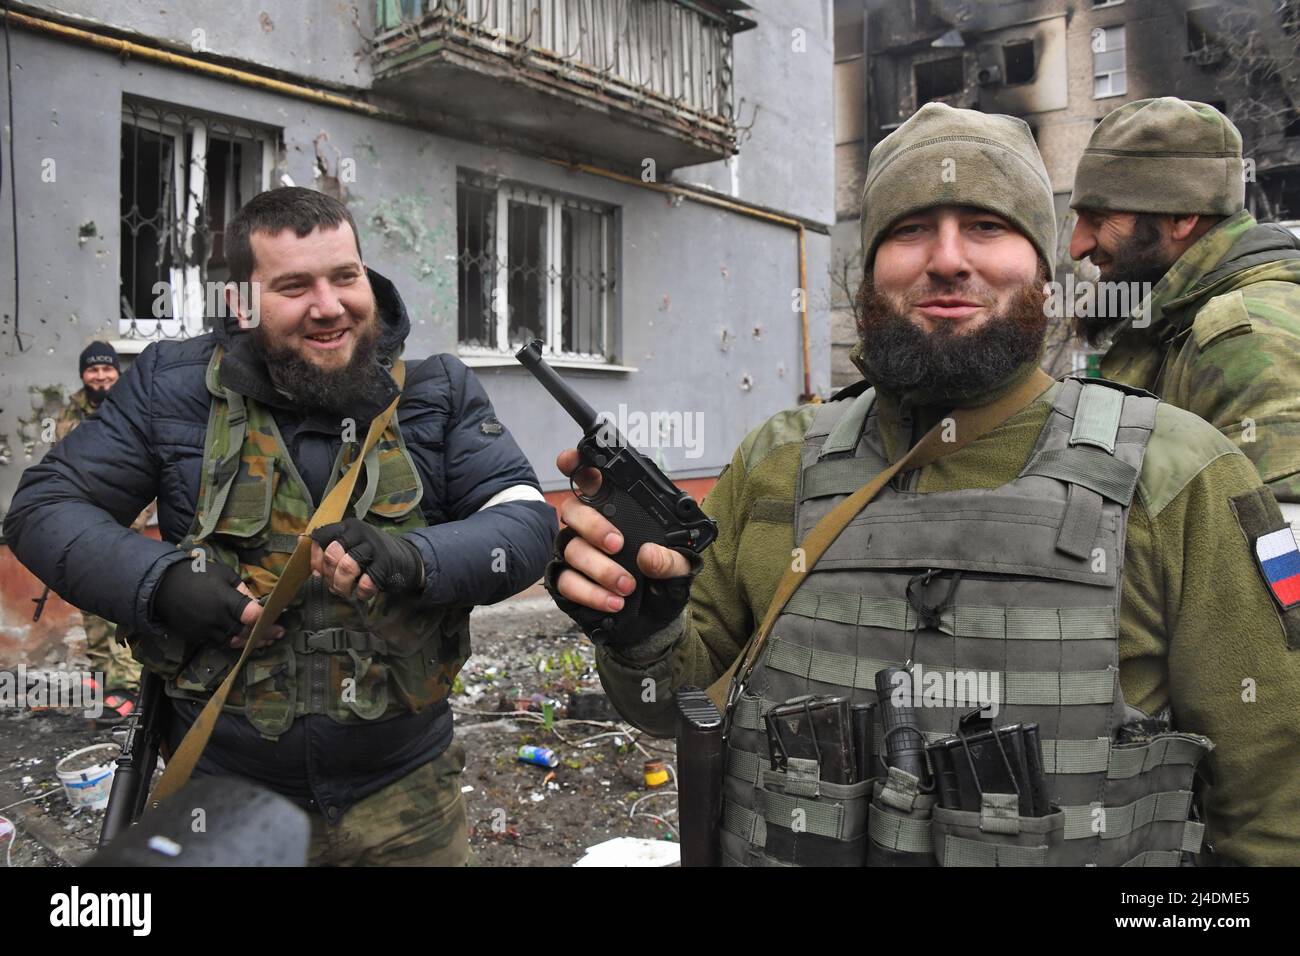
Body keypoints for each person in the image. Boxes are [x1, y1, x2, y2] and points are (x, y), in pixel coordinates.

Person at [545, 104, 1300, 866]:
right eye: (908, 230)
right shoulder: (776, 459)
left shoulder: (1180, 477)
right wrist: (641, 631)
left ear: (1042, 265)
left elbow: (1273, 807)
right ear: (869, 268)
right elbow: (667, 705)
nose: (946, 259)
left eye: (986, 225)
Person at [5, 187, 557, 866]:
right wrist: (162, 582)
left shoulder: (436, 390)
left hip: (407, 795)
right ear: (242, 300)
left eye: (345, 277)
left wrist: (416, 558)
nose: (329, 306)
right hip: (224, 796)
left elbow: (525, 519)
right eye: (294, 286)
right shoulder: (170, 388)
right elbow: (43, 507)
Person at [1069, 97, 1300, 531]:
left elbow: (1280, 575)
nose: (1077, 246)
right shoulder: (1178, 318)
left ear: (1182, 216)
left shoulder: (1247, 333)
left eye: (1098, 219)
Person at [53, 341, 146, 723]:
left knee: (119, 598)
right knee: (88, 599)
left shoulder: (127, 405)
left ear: (116, 372)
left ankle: (130, 685)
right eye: (93, 370)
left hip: (124, 518)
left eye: (107, 369)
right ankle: (104, 675)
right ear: (83, 375)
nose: (101, 375)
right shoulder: (69, 413)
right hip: (83, 517)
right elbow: (62, 461)